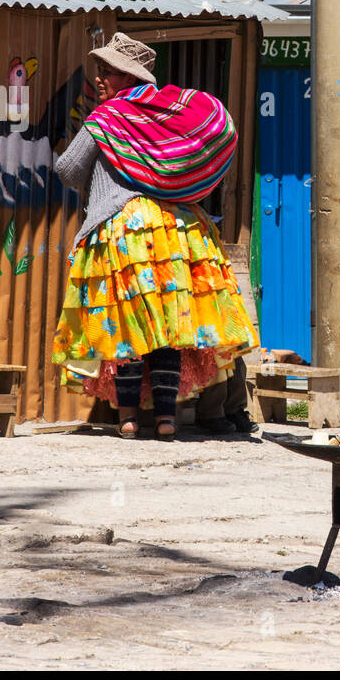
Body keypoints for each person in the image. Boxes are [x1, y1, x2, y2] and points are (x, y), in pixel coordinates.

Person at [50, 32, 257, 439]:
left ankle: (128, 419)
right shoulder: (167, 116)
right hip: (176, 238)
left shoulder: (107, 119)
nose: (99, 79)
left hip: (125, 232)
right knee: (168, 332)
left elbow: (68, 168)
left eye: (106, 71)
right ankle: (165, 420)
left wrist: (107, 170)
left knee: (126, 329)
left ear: (126, 76)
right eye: (99, 71)